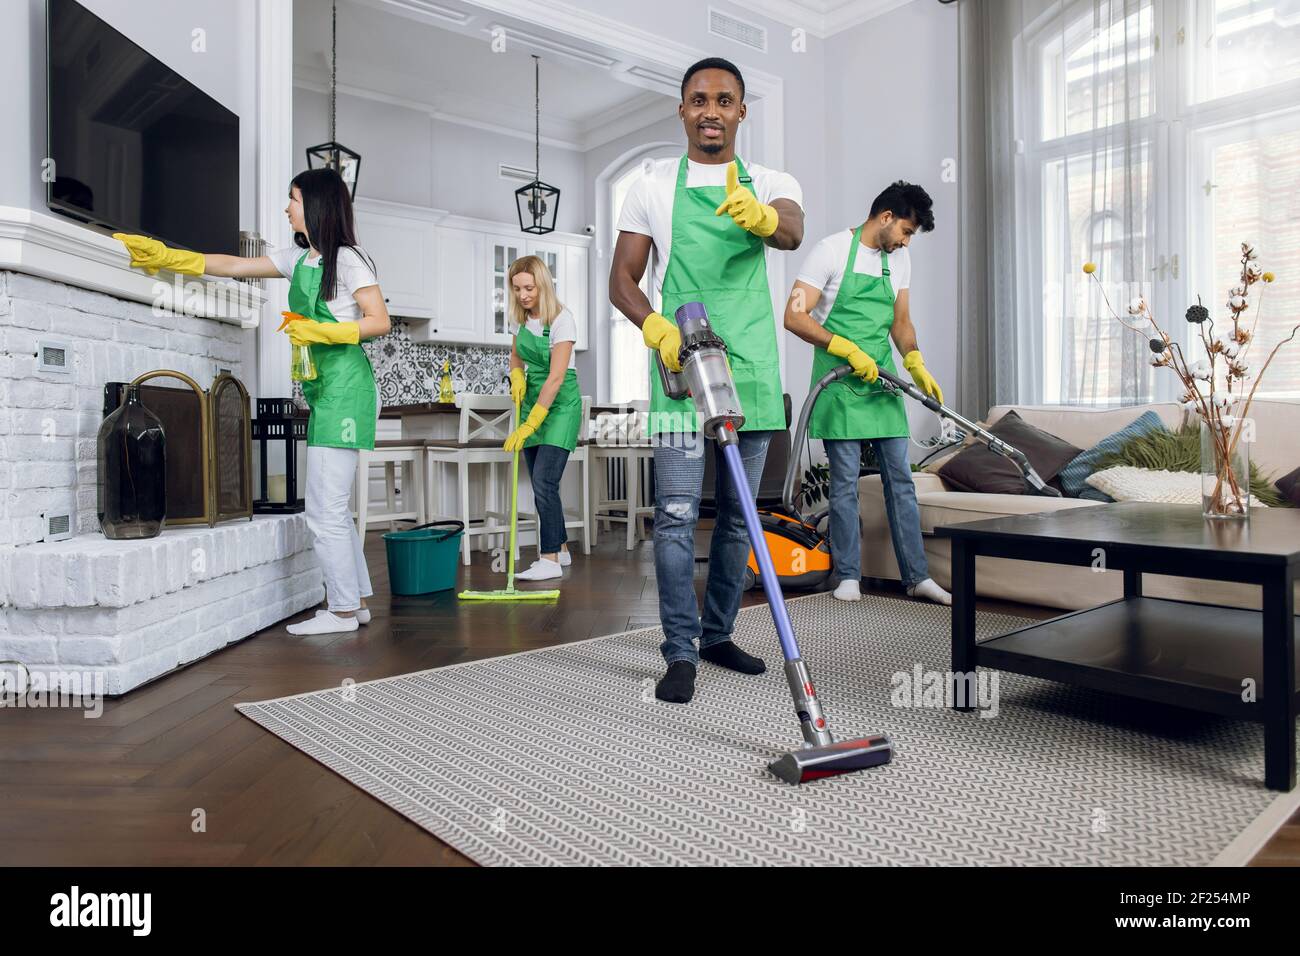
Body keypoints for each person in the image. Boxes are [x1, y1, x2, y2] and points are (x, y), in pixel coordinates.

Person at [114, 167, 392, 634]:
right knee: (335, 509)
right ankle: (356, 602)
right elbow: (237, 266)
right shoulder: (302, 260)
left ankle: (341, 611)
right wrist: (170, 258)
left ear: (318, 206)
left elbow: (379, 319)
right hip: (324, 388)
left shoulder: (347, 259)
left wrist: (327, 330)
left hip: (348, 389)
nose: (287, 208)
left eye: (294, 200)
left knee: (323, 510)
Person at [609, 56, 804, 704]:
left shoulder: (772, 179)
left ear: (742, 110)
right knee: (673, 515)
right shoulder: (653, 183)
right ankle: (680, 651)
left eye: (724, 100)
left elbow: (793, 230)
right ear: (682, 109)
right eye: (699, 99)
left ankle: (719, 634)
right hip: (679, 364)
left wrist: (765, 218)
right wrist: (655, 328)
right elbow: (622, 281)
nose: (711, 110)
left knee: (739, 520)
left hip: (749, 363)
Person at [784, 180, 951, 607]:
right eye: (906, 232)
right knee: (844, 484)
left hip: (882, 381)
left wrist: (914, 360)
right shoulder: (830, 250)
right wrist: (843, 347)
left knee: (902, 481)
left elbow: (901, 321)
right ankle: (848, 575)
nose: (906, 241)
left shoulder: (901, 260)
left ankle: (917, 577)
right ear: (886, 217)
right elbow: (794, 316)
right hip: (840, 380)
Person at [503, 255, 583, 581]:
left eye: (529, 288)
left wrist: (532, 423)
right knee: (543, 483)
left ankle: (547, 559)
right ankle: (561, 550)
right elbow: (515, 355)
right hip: (532, 400)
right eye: (517, 289)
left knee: (543, 482)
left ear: (543, 285)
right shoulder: (520, 320)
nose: (522, 295)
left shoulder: (563, 320)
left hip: (559, 406)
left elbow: (556, 378)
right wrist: (516, 375)